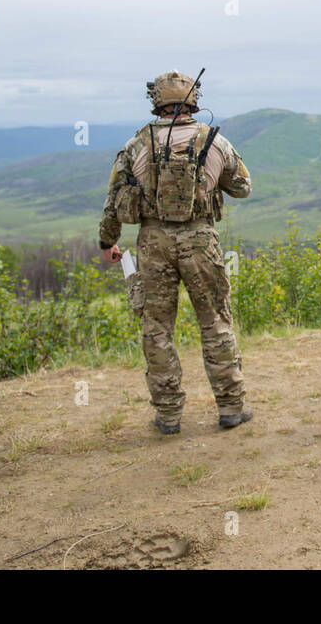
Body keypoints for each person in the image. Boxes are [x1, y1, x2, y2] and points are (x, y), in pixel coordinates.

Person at [98, 70, 253, 435]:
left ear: (157, 101)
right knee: (215, 322)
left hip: (153, 244)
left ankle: (168, 414)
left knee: (156, 329)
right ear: (193, 99)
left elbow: (112, 201)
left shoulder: (136, 144)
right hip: (201, 240)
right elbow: (243, 187)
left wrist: (108, 242)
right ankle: (231, 407)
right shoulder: (215, 141)